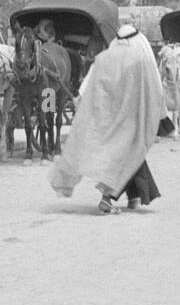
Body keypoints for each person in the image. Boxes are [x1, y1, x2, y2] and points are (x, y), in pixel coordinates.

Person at [50, 22, 164, 213]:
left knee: (131, 156)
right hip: (130, 120)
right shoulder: (141, 60)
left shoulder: (104, 59)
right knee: (122, 157)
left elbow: (87, 85)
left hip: (108, 119)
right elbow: (155, 87)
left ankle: (134, 196)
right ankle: (107, 198)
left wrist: (79, 101)